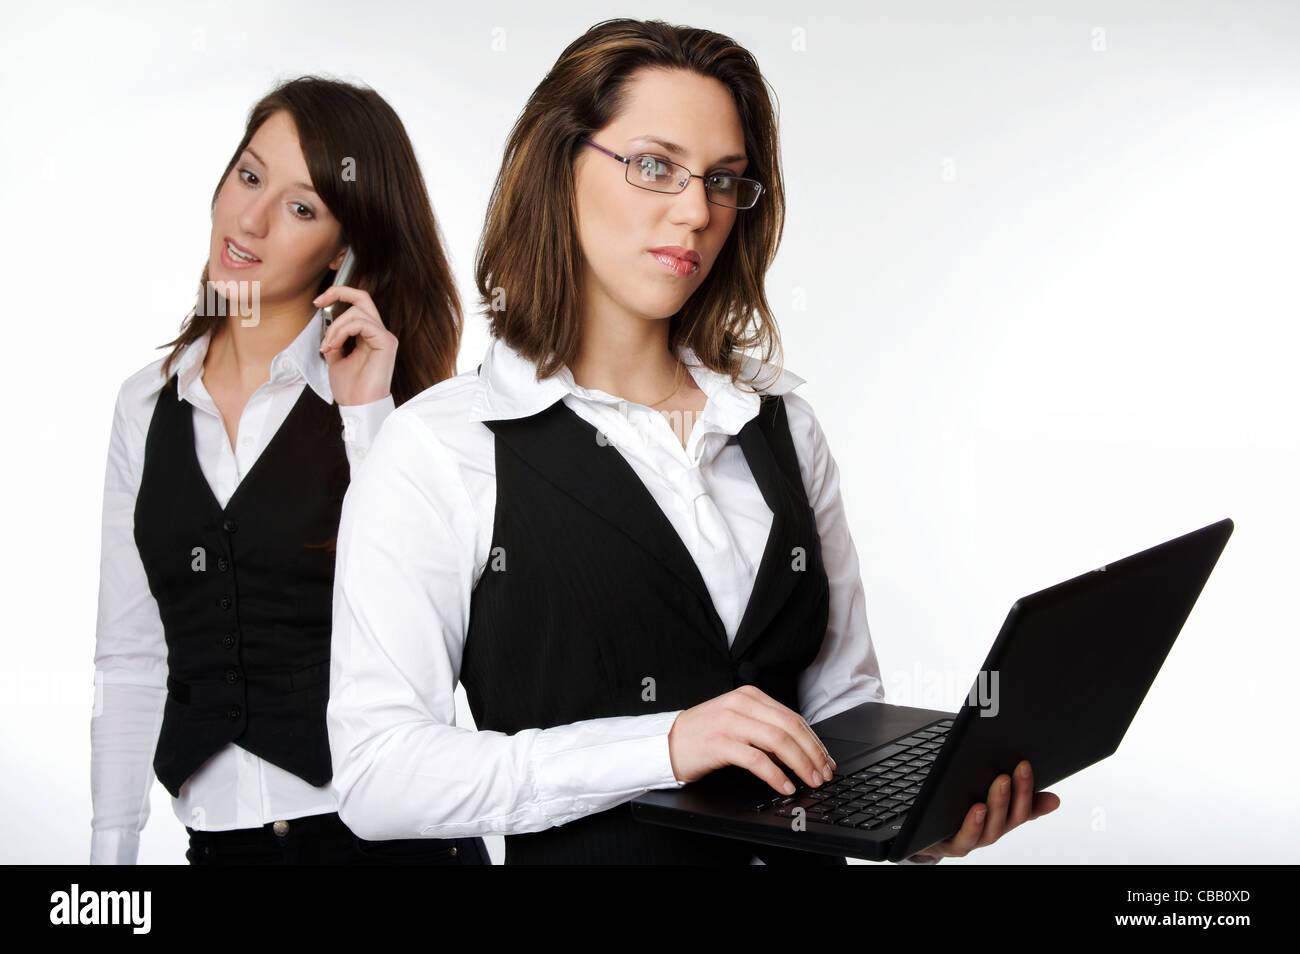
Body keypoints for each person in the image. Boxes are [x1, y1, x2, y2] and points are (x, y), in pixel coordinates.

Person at [326, 20, 1060, 865]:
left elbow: (840, 708)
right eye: (654, 165)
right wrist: (662, 746)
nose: (696, 211)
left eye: (723, 180)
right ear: (559, 164)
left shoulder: (780, 424)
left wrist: (913, 822)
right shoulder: (442, 447)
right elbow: (378, 778)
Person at [90, 76, 489, 865]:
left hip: (387, 838)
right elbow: (130, 656)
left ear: (342, 248)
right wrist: (110, 853)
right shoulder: (145, 406)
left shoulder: (400, 408)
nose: (251, 220)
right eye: (248, 176)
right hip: (221, 842)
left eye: (301, 207)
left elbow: (425, 638)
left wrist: (366, 416)